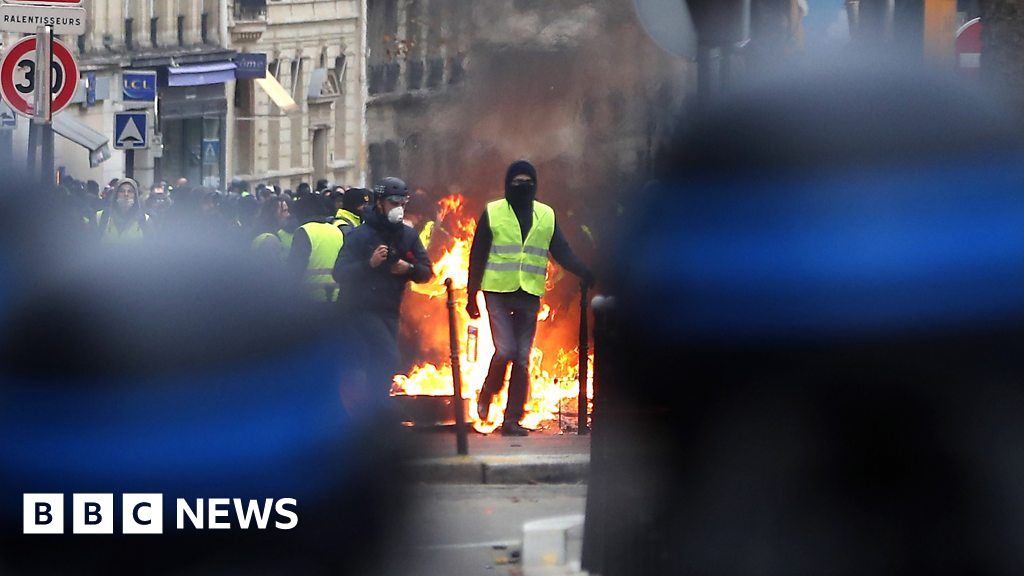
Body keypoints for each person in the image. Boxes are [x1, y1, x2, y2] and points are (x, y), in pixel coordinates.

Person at [466, 160, 594, 436]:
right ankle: (487, 392)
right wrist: (471, 294)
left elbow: (561, 250)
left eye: (527, 182)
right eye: (517, 182)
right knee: (505, 351)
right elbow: (477, 255)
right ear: (507, 184)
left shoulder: (546, 215)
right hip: (498, 291)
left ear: (535, 185)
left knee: (522, 359)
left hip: (529, 292)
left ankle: (511, 421)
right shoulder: (494, 212)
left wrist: (583, 271)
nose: (522, 187)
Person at [333, 177, 433, 403]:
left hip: (390, 310)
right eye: (393, 202)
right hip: (361, 310)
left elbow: (426, 271)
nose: (398, 208)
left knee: (377, 363)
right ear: (379, 203)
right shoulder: (360, 235)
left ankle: (373, 411)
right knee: (388, 358)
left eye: (402, 203)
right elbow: (339, 272)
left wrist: (408, 268)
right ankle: (376, 409)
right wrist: (370, 264)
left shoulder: (407, 236)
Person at [288, 191, 344, 303]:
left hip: (311, 300)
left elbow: (294, 270)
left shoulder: (304, 231)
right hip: (337, 298)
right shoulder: (336, 230)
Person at [96, 178, 148, 245]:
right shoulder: (101, 217)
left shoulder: (145, 220)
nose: (126, 194)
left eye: (130, 191)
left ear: (135, 196)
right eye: (122, 191)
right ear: (116, 194)